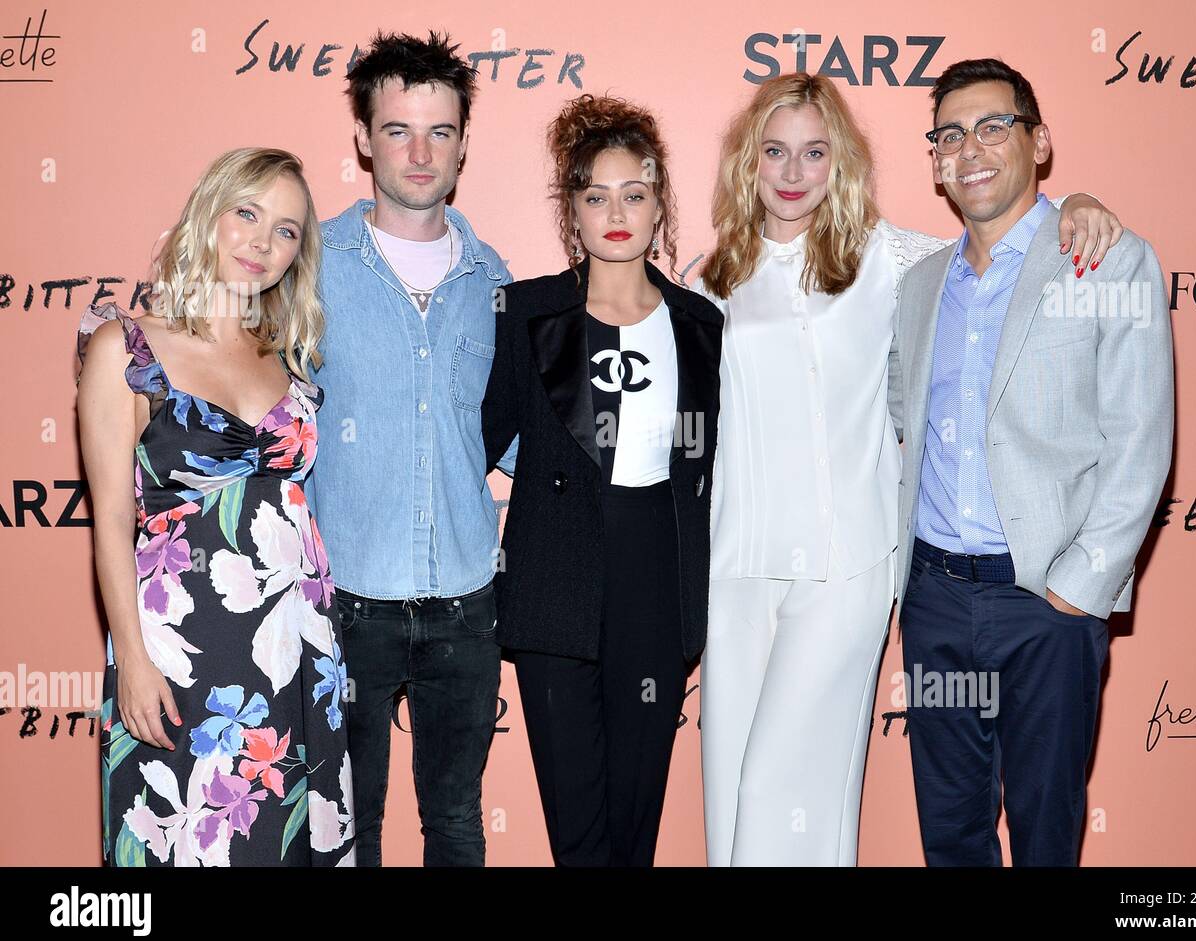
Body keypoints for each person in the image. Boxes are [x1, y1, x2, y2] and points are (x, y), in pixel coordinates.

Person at [693, 72, 1124, 866]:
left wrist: (1080, 206)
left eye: (814, 152)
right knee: (732, 790)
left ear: (843, 162)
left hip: (846, 567)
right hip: (734, 572)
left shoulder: (894, 261)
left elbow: (1007, 246)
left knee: (775, 788)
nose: (792, 173)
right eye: (774, 151)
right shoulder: (709, 280)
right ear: (746, 162)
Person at [889, 58, 1174, 866]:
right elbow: (901, 422)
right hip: (936, 604)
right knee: (951, 832)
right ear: (936, 161)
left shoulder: (1105, 259)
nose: (970, 148)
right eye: (949, 134)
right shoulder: (919, 286)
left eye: (993, 126)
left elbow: (1140, 438)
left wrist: (1078, 587)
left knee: (1047, 833)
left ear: (1039, 142)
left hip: (1044, 607)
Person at [77, 147, 355, 866]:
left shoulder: (287, 355)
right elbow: (109, 520)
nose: (264, 242)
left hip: (296, 643)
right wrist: (131, 658)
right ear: (209, 213)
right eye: (248, 213)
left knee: (286, 842)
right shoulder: (127, 347)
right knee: (186, 832)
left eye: (288, 231)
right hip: (182, 640)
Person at [481, 94, 723, 867]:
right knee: (577, 827)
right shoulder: (526, 313)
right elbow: (472, 446)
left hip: (659, 574)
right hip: (556, 578)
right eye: (595, 196)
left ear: (660, 209)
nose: (615, 213)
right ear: (573, 214)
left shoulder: (701, 324)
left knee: (635, 819)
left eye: (635, 194)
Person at [305, 31, 514, 867]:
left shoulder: (496, 283)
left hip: (467, 600)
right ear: (363, 137)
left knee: (457, 823)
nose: (419, 153)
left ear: (464, 142)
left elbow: (525, 443)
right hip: (344, 598)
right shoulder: (309, 266)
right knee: (350, 829)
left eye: (439, 132)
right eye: (398, 130)